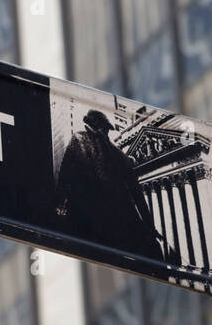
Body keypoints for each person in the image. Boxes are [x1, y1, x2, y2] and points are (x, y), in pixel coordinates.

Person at [54, 109, 170, 264]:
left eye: (106, 129)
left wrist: (149, 226)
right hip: (101, 219)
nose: (105, 131)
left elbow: (136, 192)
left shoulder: (116, 153)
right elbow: (66, 175)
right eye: (104, 127)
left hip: (108, 220)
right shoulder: (82, 140)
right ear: (95, 125)